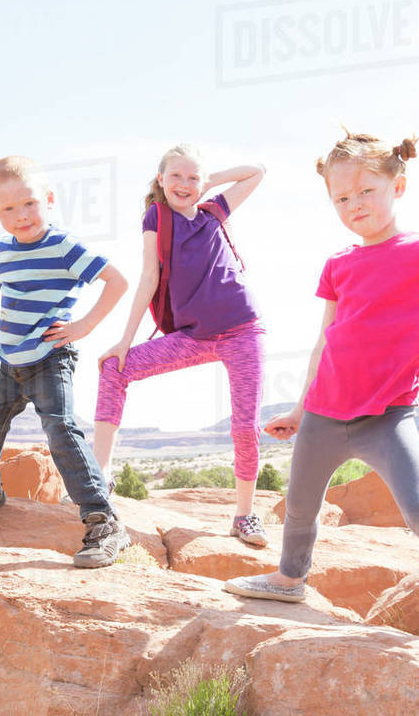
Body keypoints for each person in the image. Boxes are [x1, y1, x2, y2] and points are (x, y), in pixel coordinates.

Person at [224, 132, 419, 665]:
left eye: (366, 191)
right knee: (300, 507)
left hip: (388, 416)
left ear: (398, 185)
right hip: (324, 413)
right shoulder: (338, 264)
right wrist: (301, 411)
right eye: (341, 199)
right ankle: (288, 579)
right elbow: (324, 342)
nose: (355, 206)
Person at [0, 155, 131, 569]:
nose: (21, 215)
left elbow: (117, 280)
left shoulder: (63, 245)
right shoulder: (4, 248)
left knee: (60, 428)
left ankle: (103, 520)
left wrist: (84, 326)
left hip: (50, 357)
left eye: (29, 204)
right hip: (10, 361)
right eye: (8, 208)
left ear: (49, 200)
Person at [94, 145, 269, 547]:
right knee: (114, 368)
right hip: (194, 336)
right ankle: (100, 477)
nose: (185, 185)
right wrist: (125, 340)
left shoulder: (214, 212)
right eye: (176, 176)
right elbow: (148, 278)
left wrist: (212, 178)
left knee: (244, 427)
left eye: (193, 178)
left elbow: (257, 171)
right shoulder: (157, 217)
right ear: (161, 181)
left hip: (243, 330)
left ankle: (244, 516)